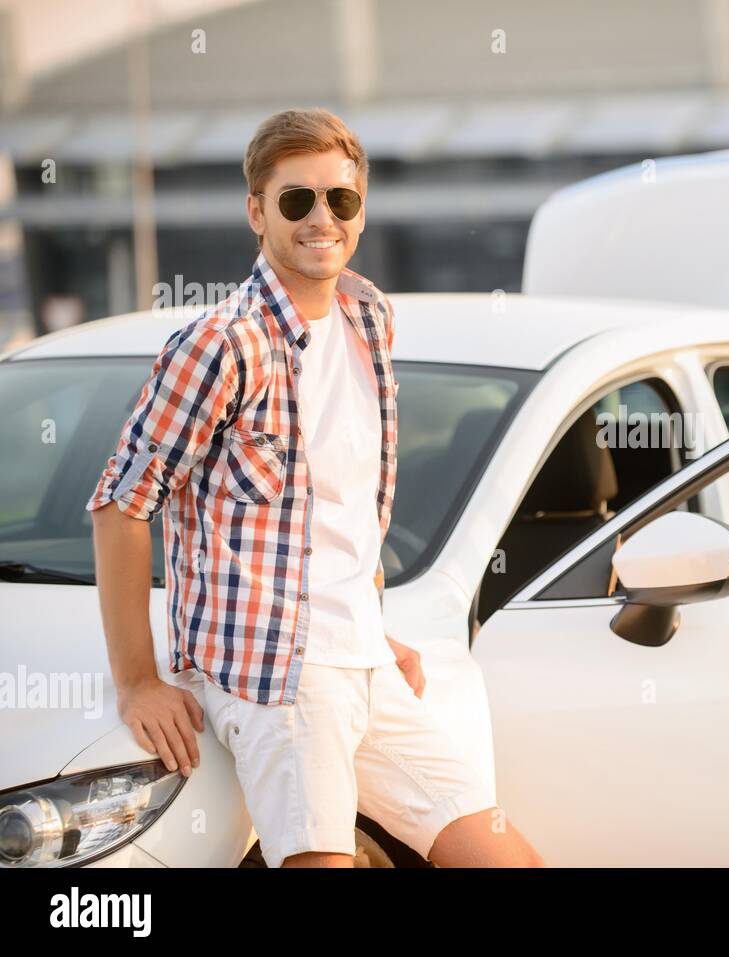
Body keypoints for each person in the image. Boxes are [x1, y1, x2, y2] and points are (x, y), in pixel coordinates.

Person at [86, 108, 543, 868]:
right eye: (296, 200)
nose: (321, 217)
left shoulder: (370, 318)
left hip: (364, 657)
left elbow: (341, 504)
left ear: (361, 210)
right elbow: (121, 503)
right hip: (277, 674)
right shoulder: (222, 344)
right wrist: (137, 680)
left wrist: (368, 621)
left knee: (504, 860)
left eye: (341, 198)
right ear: (256, 212)